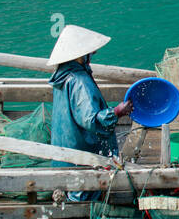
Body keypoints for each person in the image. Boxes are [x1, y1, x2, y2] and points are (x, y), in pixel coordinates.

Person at [47, 24, 131, 202]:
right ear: (79, 56)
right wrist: (117, 112)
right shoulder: (79, 81)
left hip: (63, 154)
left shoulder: (63, 76)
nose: (92, 56)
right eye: (90, 53)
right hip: (80, 156)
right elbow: (91, 120)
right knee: (84, 191)